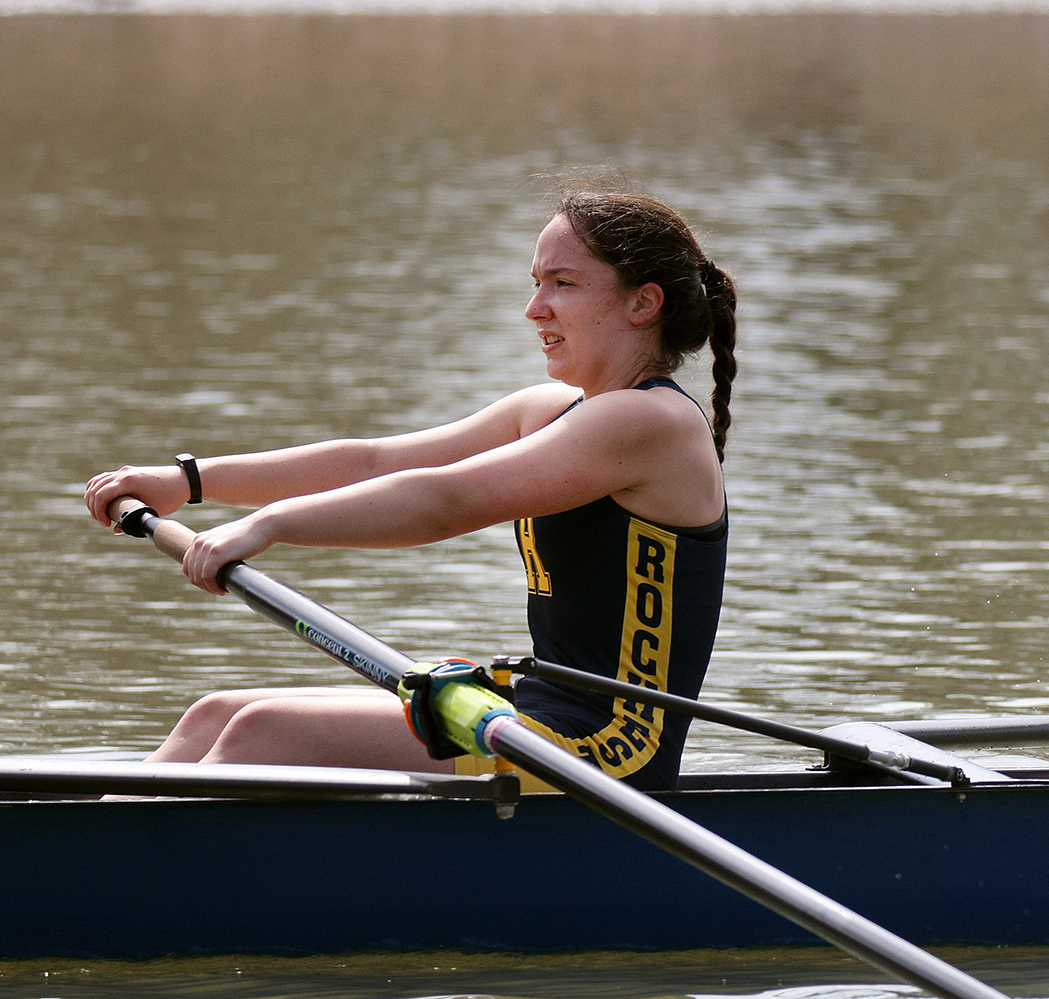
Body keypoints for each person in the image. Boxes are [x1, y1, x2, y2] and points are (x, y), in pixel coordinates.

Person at [85, 185, 737, 790]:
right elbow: (374, 462)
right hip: (527, 709)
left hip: (610, 750)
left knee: (264, 731)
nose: (534, 307)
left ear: (641, 303)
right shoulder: (549, 411)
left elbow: (443, 502)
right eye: (536, 282)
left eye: (563, 283)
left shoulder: (651, 420)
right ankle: (87, 858)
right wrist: (191, 480)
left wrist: (269, 525)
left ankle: (114, 891)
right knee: (217, 713)